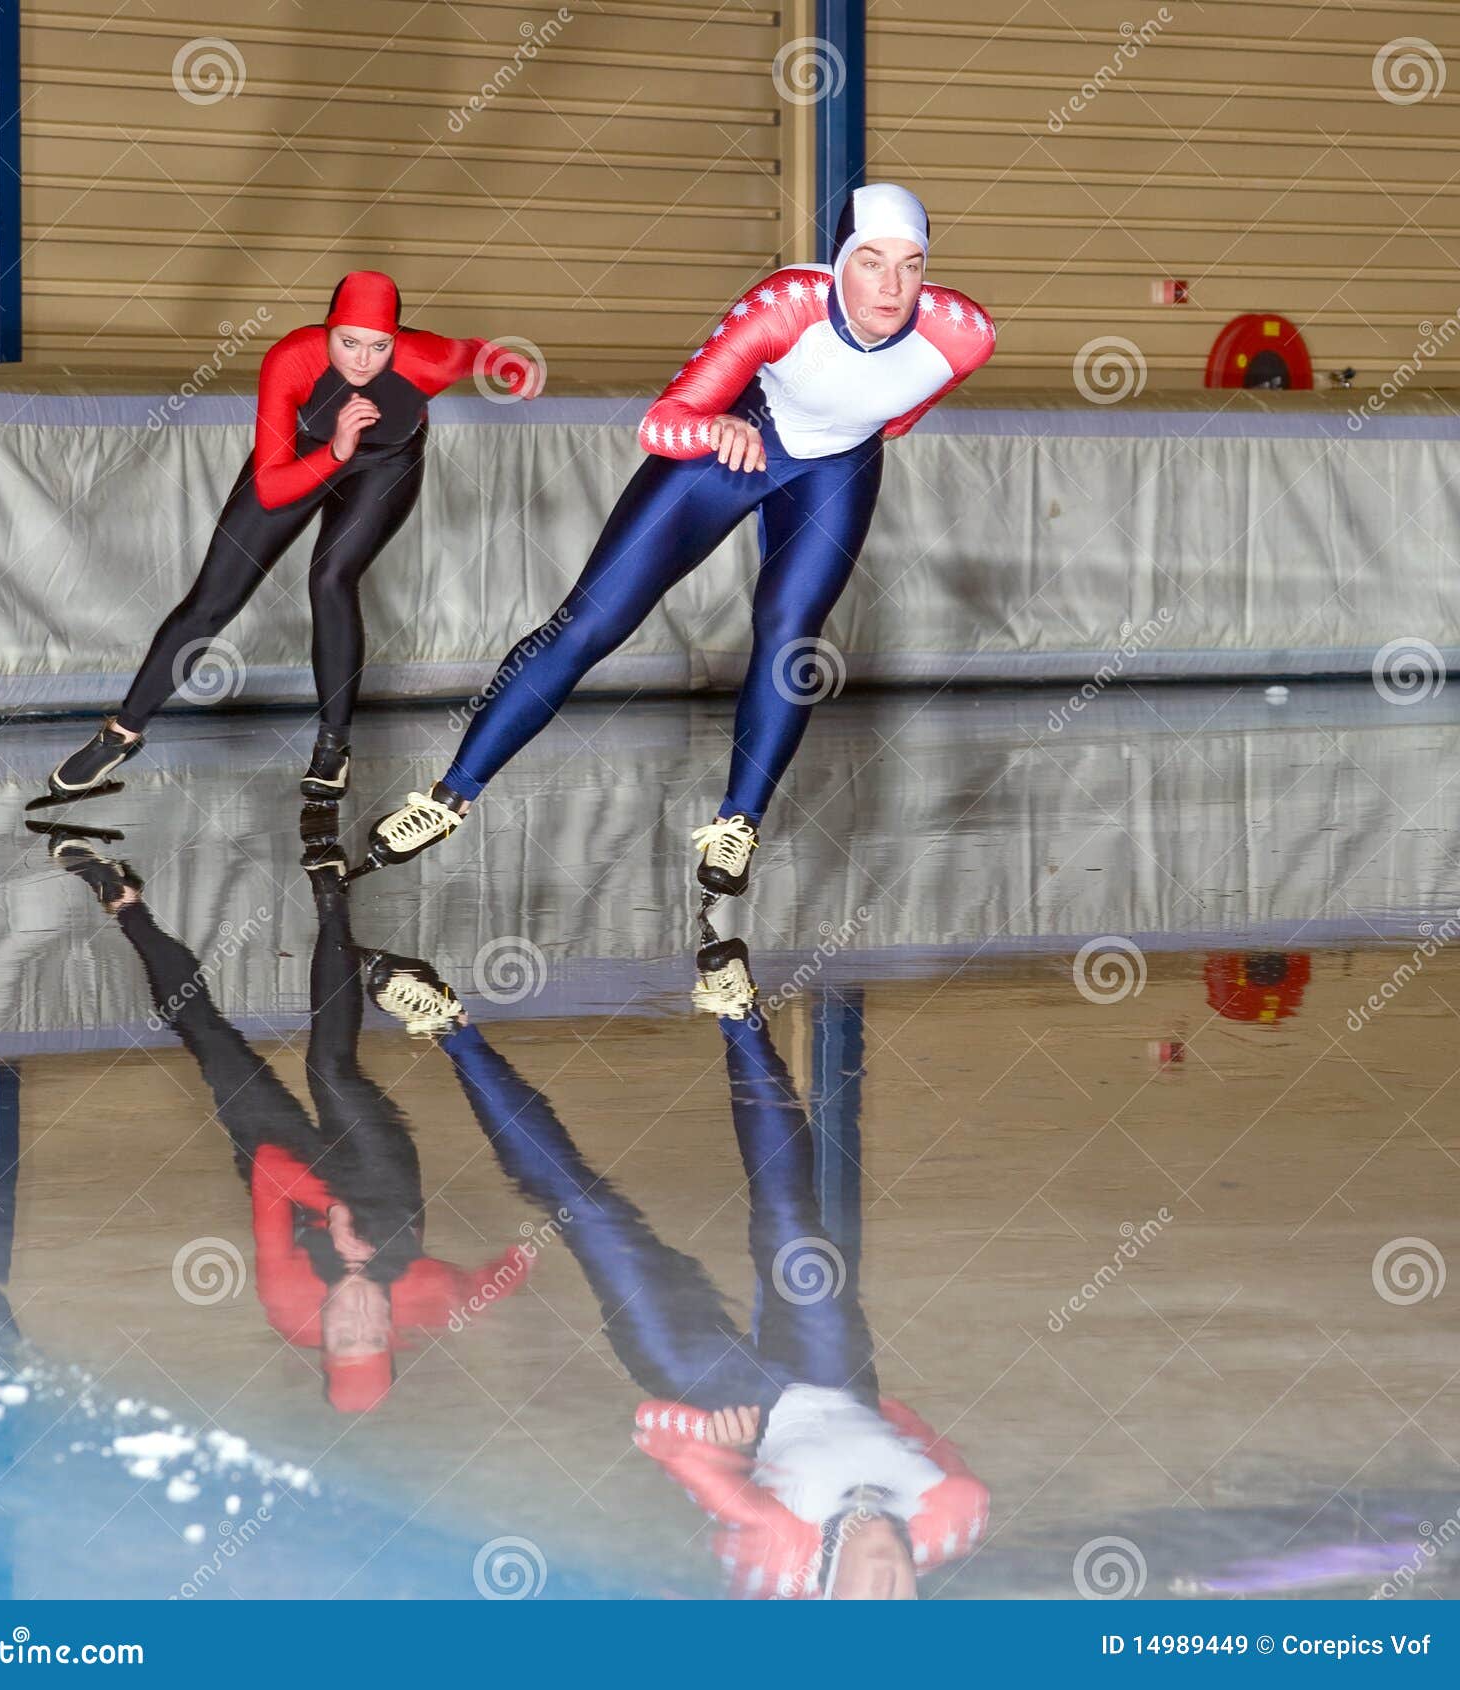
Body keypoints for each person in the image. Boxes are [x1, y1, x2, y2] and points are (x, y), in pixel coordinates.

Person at [367, 184, 995, 896]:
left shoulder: (964, 332)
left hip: (836, 468)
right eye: (871, 262)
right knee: (591, 622)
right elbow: (661, 422)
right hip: (731, 444)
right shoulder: (784, 307)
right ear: (839, 263)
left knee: (790, 636)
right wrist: (715, 427)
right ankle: (448, 797)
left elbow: (899, 414)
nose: (891, 286)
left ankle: (739, 824)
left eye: (911, 265)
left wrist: (841, 445)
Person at [391, 926, 988, 1596]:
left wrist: (714, 1440)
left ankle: (449, 1026)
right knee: (790, 1216)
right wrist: (861, 1416)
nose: (883, 1584)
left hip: (726, 1396)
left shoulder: (778, 1555)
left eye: (863, 1603)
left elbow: (654, 1433)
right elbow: (905, 1416)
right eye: (899, 1603)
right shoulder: (953, 1515)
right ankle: (737, 1011)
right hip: (836, 1376)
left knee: (589, 1215)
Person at [49, 813, 529, 1410]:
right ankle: (332, 895)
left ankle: (124, 902)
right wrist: (529, 1252)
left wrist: (331, 1210)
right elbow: (499, 1281)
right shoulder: (427, 1298)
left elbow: (272, 1167)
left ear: (322, 1338)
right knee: (328, 1067)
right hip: (382, 1184)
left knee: (206, 1037)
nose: (358, 1319)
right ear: (392, 1334)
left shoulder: (289, 1305)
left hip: (291, 1186)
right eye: (372, 1334)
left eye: (343, 1335)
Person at [45, 271, 542, 804]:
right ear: (327, 331)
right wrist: (337, 449)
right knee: (213, 600)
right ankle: (123, 732)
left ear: (397, 339)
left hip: (386, 462)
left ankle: (333, 748)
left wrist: (515, 367)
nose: (361, 361)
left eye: (379, 346)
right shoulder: (291, 358)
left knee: (331, 578)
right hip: (301, 454)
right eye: (348, 342)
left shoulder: (427, 360)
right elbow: (273, 485)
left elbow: (477, 353)